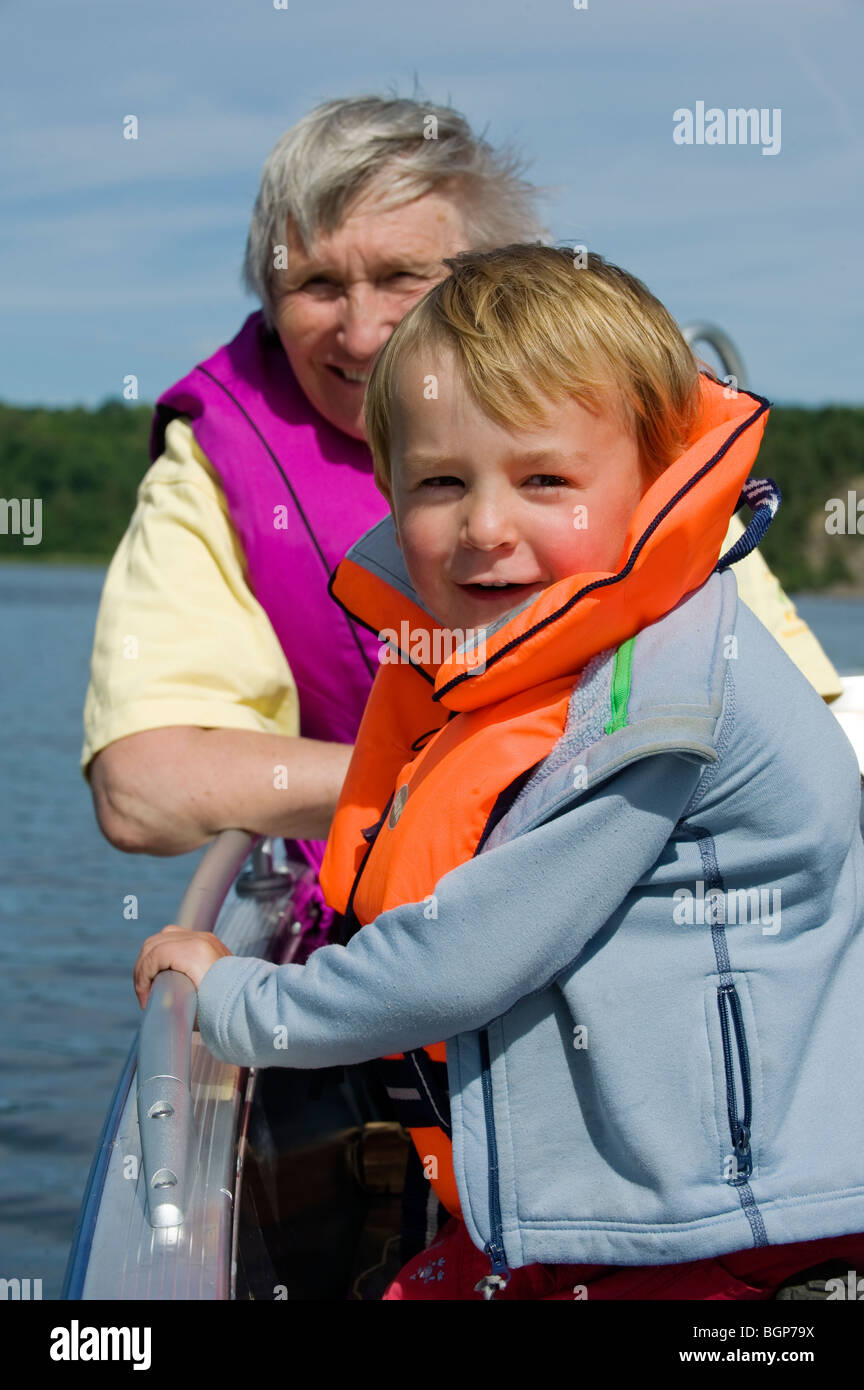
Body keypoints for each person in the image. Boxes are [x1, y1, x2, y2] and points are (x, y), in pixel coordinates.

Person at [133, 246, 864, 1300]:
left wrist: (233, 998)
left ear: (652, 481)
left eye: (544, 481)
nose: (484, 527)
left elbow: (465, 957)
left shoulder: (661, 703)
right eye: (439, 482)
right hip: (641, 1224)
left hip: (732, 1253)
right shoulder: (582, 652)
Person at [82, 96, 840, 888]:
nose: (362, 330)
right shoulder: (216, 455)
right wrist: (450, 786)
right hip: (379, 929)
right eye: (316, 284)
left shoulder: (610, 420)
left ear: (498, 282)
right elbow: (144, 787)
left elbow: (802, 719)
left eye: (402, 276)